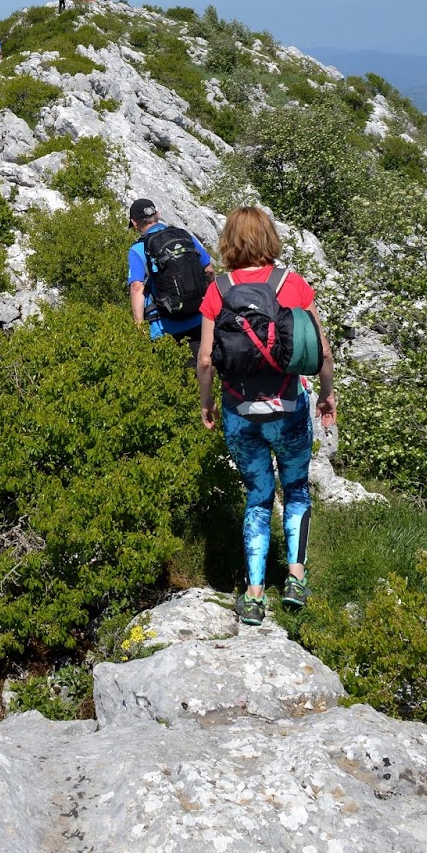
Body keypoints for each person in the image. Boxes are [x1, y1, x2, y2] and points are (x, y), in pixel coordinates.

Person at [195, 206, 336, 626]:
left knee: (257, 498)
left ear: (229, 241)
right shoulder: (293, 285)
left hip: (240, 413)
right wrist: (327, 394)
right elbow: (323, 351)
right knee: (295, 491)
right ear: (270, 238)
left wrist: (206, 404)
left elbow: (205, 359)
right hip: (288, 408)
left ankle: (254, 596)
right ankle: (295, 579)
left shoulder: (217, 290)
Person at [127, 199, 215, 365]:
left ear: (134, 222)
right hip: (199, 319)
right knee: (205, 373)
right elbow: (209, 270)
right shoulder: (184, 236)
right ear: (158, 215)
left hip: (165, 329)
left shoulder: (138, 249)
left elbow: (137, 287)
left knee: (174, 383)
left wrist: (139, 327)